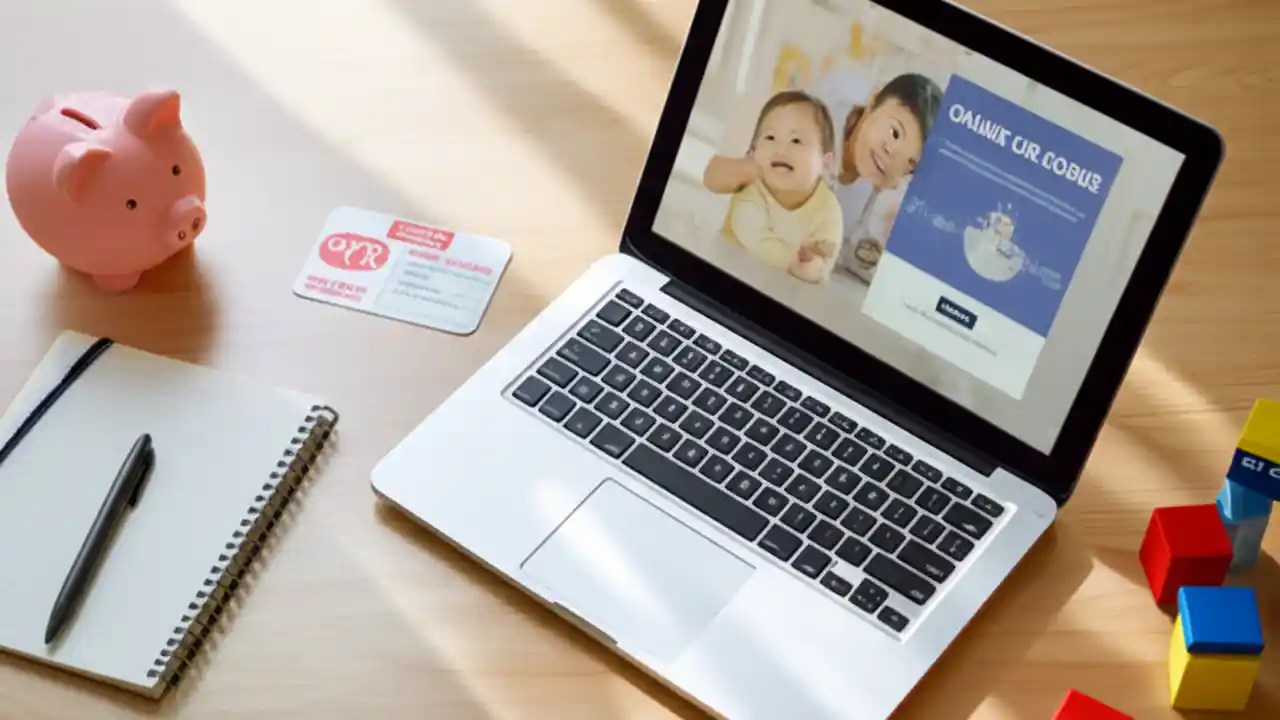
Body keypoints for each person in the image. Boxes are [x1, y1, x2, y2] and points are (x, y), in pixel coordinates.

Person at [706, 72, 943, 282]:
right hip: (736, 263)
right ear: (874, 99)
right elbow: (717, 176)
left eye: (911, 162)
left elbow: (846, 255)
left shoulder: (871, 195)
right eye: (894, 132)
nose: (892, 155)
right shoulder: (818, 116)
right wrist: (764, 168)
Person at [716, 90, 843, 284]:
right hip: (728, 273)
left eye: (796, 140)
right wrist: (792, 263)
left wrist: (815, 263)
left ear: (825, 164)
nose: (781, 149)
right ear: (752, 153)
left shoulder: (828, 208)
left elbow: (828, 251)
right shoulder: (751, 188)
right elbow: (752, 236)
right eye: (770, 138)